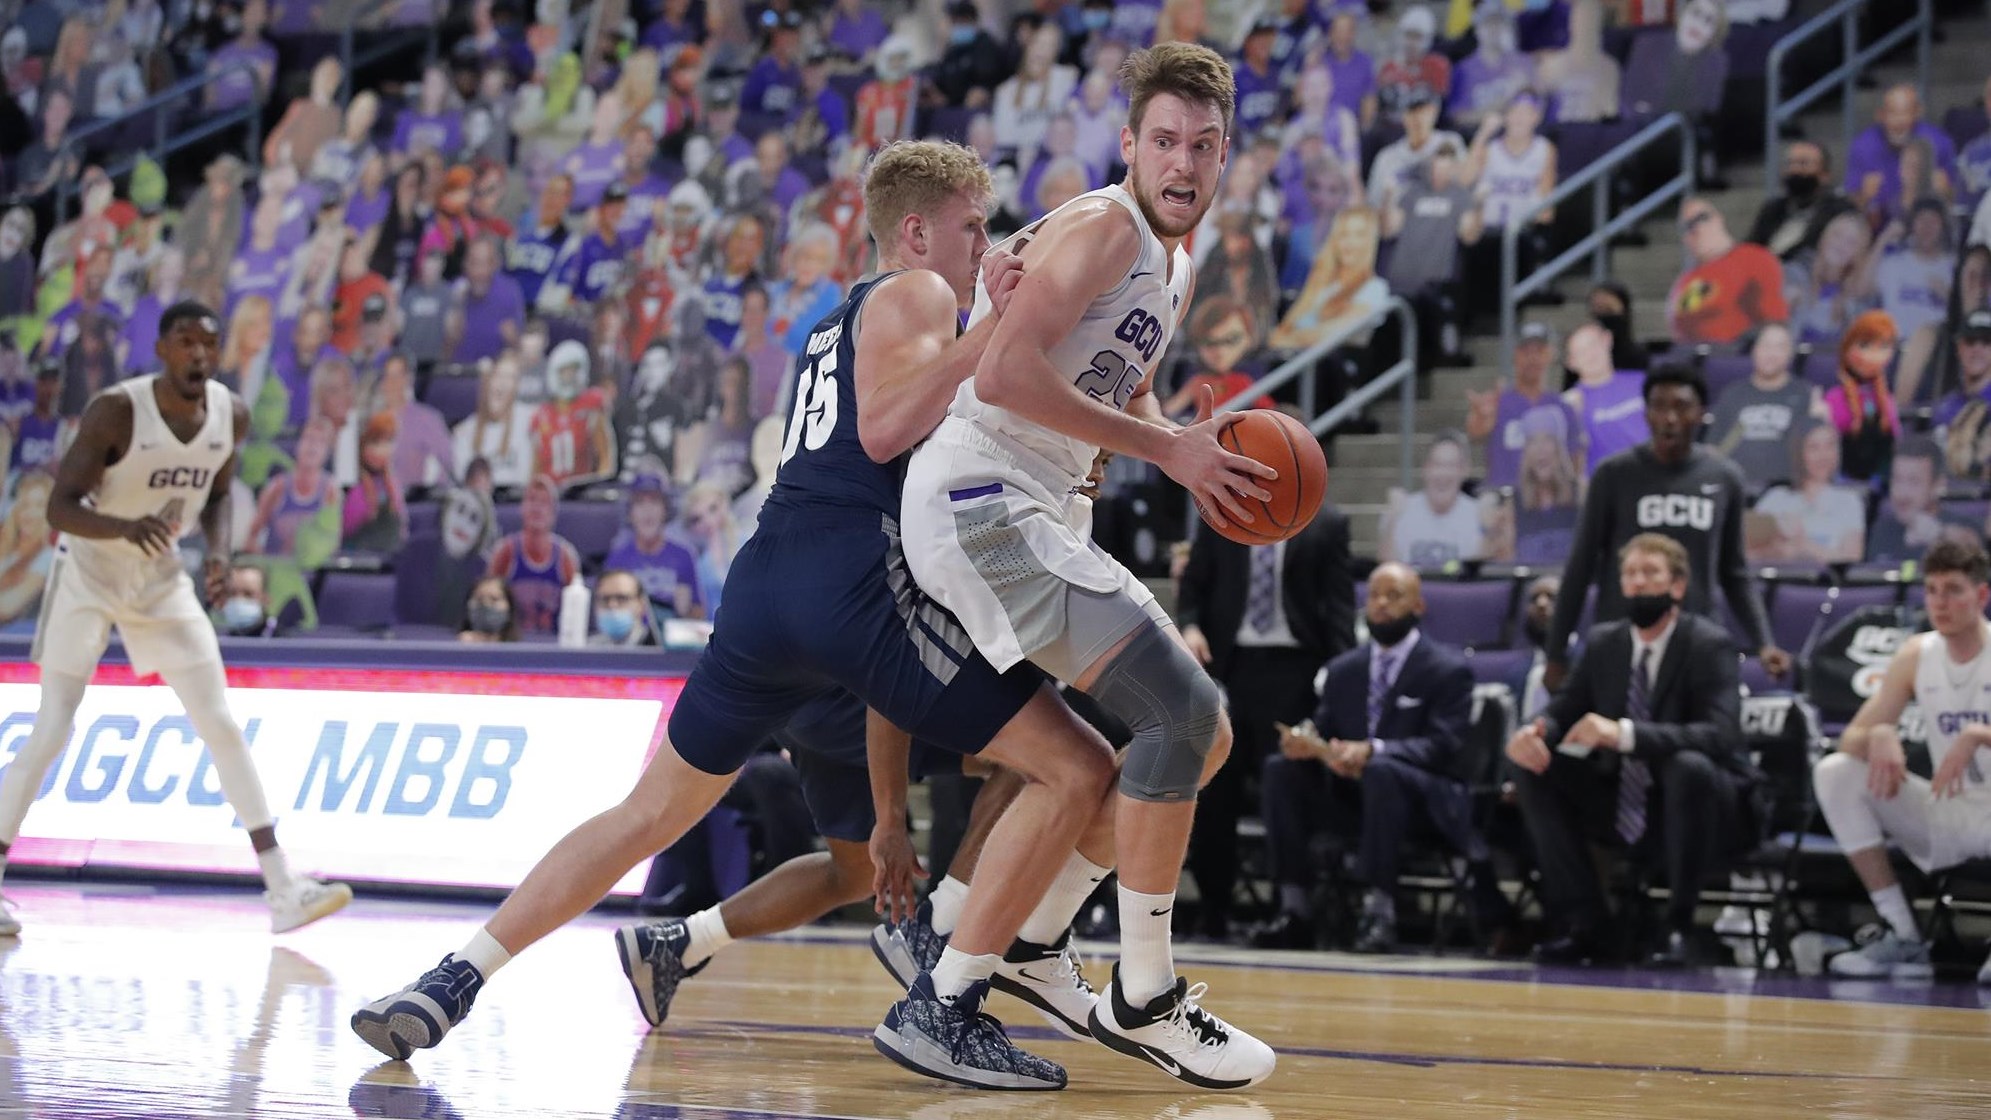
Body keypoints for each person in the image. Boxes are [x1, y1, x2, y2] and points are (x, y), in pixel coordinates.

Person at [353, 140, 1121, 1093]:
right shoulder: (920, 293)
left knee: (646, 813)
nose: (984, 245)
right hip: (851, 574)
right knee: (1072, 757)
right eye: (971, 226)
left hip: (767, 581)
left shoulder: (830, 325)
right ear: (915, 232)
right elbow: (885, 430)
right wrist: (993, 325)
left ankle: (456, 975)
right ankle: (948, 984)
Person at [895, 43, 1277, 1090]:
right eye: (1163, 140)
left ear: (1224, 155)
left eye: (1202, 145)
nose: (1182, 162)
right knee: (1183, 714)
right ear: (1128, 146)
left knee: (1196, 738)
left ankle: (1026, 939)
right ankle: (1140, 991)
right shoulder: (1106, 224)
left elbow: (1120, 382)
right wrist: (1167, 453)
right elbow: (1011, 371)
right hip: (982, 497)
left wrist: (1179, 444)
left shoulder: (1174, 259)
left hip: (1037, 508)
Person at [0, 302, 350, 939]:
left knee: (219, 720)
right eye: (185, 342)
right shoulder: (117, 410)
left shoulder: (229, 415)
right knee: (51, 728)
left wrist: (218, 554)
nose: (198, 355)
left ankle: (282, 888)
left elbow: (216, 496)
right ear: (162, 349)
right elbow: (60, 506)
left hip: (160, 576)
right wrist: (123, 527)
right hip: (86, 571)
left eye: (208, 345)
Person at [1507, 533, 1752, 967]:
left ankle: (1679, 926)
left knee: (1687, 766)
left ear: (1677, 586)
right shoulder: (1606, 643)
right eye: (1630, 574)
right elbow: (1563, 710)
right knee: (1533, 768)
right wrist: (1533, 733)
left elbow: (1720, 735)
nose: (1638, 583)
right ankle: (1589, 924)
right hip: (1623, 797)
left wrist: (1623, 734)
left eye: (1650, 573)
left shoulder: (1708, 644)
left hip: (1706, 805)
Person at [1258, 562, 1507, 953]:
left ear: (1419, 606)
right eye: (1375, 596)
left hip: (1422, 802)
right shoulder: (1343, 670)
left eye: (1394, 596)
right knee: (1281, 770)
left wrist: (1375, 750)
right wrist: (1309, 745)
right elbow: (1324, 729)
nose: (1382, 604)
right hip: (1352, 797)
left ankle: (1381, 911)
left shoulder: (1448, 670)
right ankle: (1294, 909)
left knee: (1382, 771)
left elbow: (1445, 747)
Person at [1541, 364, 1789, 695]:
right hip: (1624, 638)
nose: (1669, 418)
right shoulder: (1614, 475)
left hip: (1696, 641)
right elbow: (1580, 567)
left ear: (1700, 414)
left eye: (1681, 407)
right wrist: (1555, 654)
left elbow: (1735, 573)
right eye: (1659, 407)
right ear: (1646, 414)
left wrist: (1764, 643)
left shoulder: (1723, 477)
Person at [1811, 537, 1991, 982]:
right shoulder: (1916, 654)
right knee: (1835, 773)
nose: (1939, 603)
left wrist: (1978, 735)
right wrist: (1880, 732)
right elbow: (1850, 736)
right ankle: (1905, 935)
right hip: (1947, 811)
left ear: (1981, 595)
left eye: (1952, 590)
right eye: (1931, 591)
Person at [1175, 499, 1356, 940]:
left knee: (1284, 785)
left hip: (1296, 669)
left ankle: (1289, 908)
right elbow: (1194, 587)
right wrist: (1191, 626)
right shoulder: (1224, 514)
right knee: (1214, 787)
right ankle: (1213, 906)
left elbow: (1338, 606)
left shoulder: (1327, 521)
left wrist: (1340, 682)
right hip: (1228, 666)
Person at [1707, 323, 1826, 488]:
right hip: (1736, 489)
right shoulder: (1732, 394)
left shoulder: (1805, 395)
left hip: (1787, 492)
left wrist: (1820, 422)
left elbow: (1818, 455)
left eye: (1779, 347)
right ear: (1754, 350)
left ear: (1790, 354)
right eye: (1766, 346)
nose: (1771, 354)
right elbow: (1713, 449)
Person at [1466, 322, 1580, 490]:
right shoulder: (1497, 403)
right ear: (1514, 355)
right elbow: (1475, 433)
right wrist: (1481, 419)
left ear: (1551, 354)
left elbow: (1576, 461)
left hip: (1550, 505)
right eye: (1525, 351)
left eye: (1539, 351)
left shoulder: (1563, 408)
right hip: (1504, 500)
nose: (1532, 358)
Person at [1668, 198, 1789, 347]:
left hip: (1735, 357)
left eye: (1702, 218)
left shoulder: (1754, 258)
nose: (1697, 228)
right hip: (1690, 357)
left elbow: (1774, 322)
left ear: (1719, 219)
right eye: (1688, 226)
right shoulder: (1688, 279)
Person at [1749, 420, 1865, 566]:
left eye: (1830, 446)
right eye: (1814, 448)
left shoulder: (1849, 501)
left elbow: (1851, 558)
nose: (1823, 456)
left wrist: (1803, 544)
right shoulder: (1776, 497)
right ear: (1799, 453)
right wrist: (1780, 548)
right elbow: (1749, 553)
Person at [1845, 84, 1958, 224]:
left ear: (1918, 112)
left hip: (1928, 225)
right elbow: (1850, 205)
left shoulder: (1940, 142)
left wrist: (1946, 191)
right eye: (1892, 113)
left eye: (1906, 112)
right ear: (1880, 115)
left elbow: (1958, 198)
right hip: (1879, 227)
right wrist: (1864, 196)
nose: (1900, 121)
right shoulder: (1863, 146)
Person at [1379, 431, 1487, 567]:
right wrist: (1391, 522)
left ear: (1464, 470)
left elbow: (1482, 574)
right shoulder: (1401, 510)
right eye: (1437, 465)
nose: (1443, 474)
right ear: (1425, 468)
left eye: (1450, 466)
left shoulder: (1478, 515)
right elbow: (1387, 573)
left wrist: (1490, 530)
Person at [1865, 436, 1977, 566]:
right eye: (1897, 479)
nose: (1902, 493)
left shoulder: (1964, 526)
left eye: (1914, 482)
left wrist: (1939, 534)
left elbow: (1971, 548)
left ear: (1938, 485)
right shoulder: (1881, 530)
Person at [1822, 310, 1901, 485]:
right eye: (1865, 345)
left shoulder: (1886, 399)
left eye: (1882, 347)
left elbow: (1894, 441)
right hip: (1842, 479)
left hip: (1879, 480)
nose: (1872, 355)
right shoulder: (1835, 398)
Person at [1746, 141, 1859, 262]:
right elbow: (1751, 245)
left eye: (1803, 164)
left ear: (1824, 175)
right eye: (1790, 164)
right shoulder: (1773, 208)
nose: (1795, 170)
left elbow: (1815, 251)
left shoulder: (1839, 211)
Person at [1561, 322, 1646, 475]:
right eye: (1581, 351)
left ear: (1608, 339)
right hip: (1606, 487)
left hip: (1656, 477)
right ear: (1570, 362)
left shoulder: (1642, 381)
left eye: (1593, 344)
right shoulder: (1569, 403)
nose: (1590, 355)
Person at [588, 569, 659, 647]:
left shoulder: (657, 646)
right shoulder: (587, 649)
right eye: (605, 599)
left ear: (641, 605)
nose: (612, 605)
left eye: (622, 598)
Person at [215, 564, 281, 637]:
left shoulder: (282, 638)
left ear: (265, 599)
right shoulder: (214, 637)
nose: (239, 599)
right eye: (232, 593)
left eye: (248, 594)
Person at [457, 574, 519, 642]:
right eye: (479, 599)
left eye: (494, 599)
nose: (486, 605)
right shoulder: (453, 646)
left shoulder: (523, 649)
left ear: (509, 606)